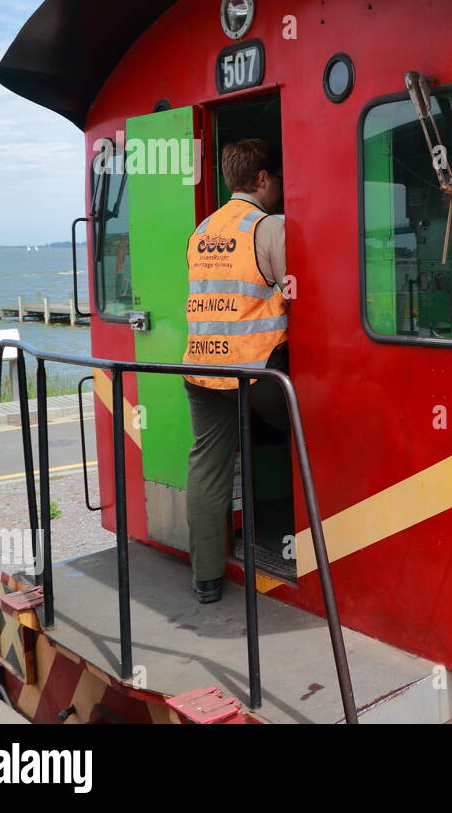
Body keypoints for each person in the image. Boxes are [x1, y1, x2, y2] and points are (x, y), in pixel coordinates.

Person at [182, 138, 288, 603]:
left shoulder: (202, 230)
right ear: (262, 179)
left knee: (206, 466)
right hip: (259, 373)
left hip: (201, 370)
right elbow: (299, 291)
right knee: (318, 432)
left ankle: (206, 580)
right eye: (278, 179)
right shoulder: (268, 227)